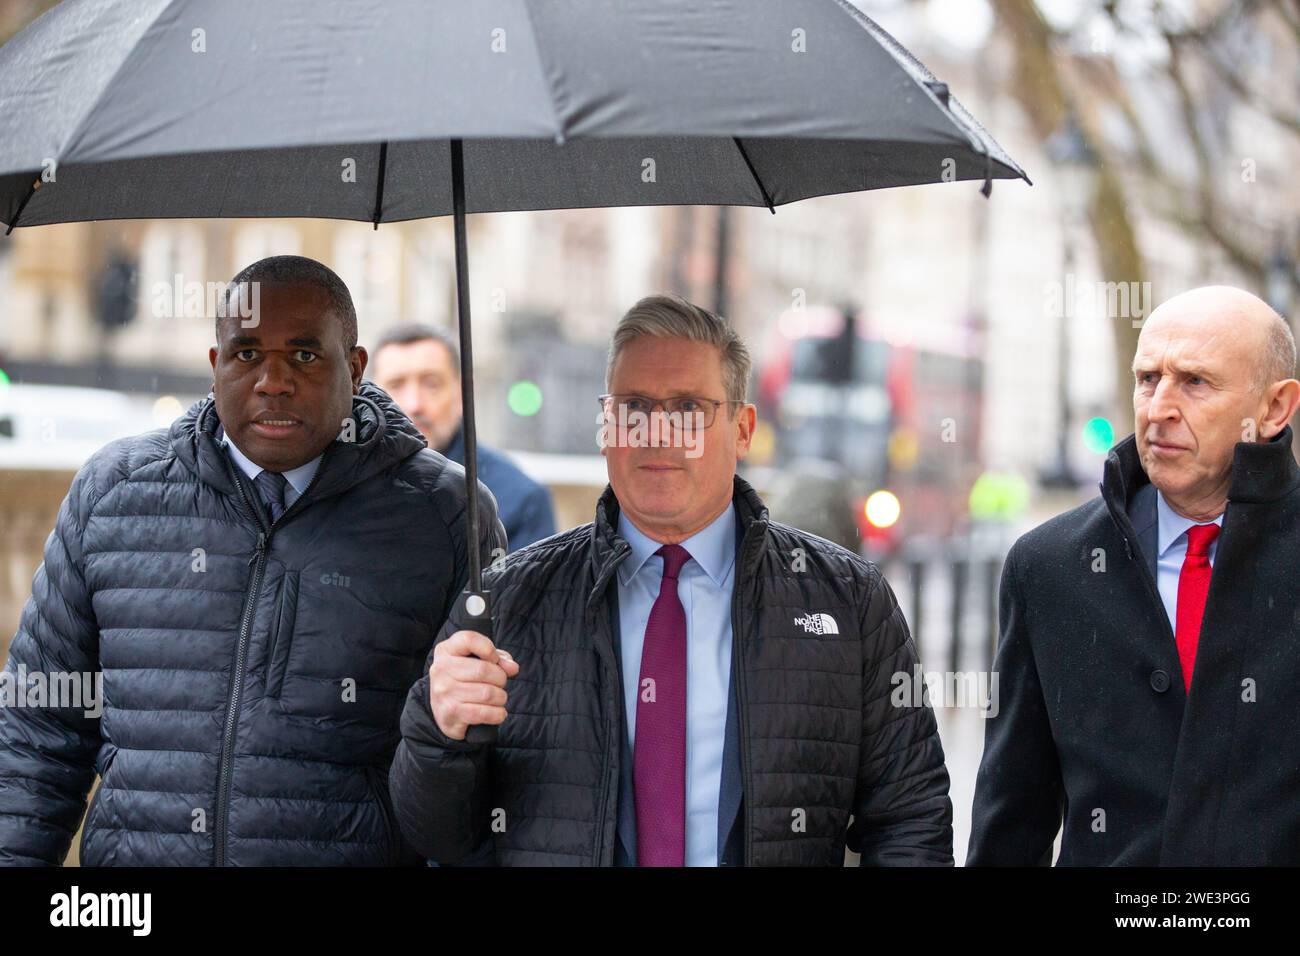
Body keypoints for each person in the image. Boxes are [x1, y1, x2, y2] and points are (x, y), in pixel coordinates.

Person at [389, 293, 953, 866]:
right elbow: (435, 836)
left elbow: (911, 817)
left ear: (742, 429)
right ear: (606, 426)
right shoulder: (508, 599)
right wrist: (441, 736)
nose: (658, 433)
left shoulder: (848, 600)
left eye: (687, 408)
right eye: (635, 407)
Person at [0, 255, 502, 866]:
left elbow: (483, 773)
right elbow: (37, 732)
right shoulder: (114, 492)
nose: (273, 380)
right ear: (215, 368)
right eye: (246, 354)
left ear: (357, 367)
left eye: (304, 355)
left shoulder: (445, 513)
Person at [969, 285, 1300, 866]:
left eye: (1196, 382)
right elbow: (1011, 815)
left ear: (1274, 409)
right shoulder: (1049, 567)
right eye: (1148, 378)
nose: (1159, 407)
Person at [370, 324, 556, 551]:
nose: (414, 404)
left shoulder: (521, 500)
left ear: (461, 393)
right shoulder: (343, 487)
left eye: (432, 384)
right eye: (396, 385)